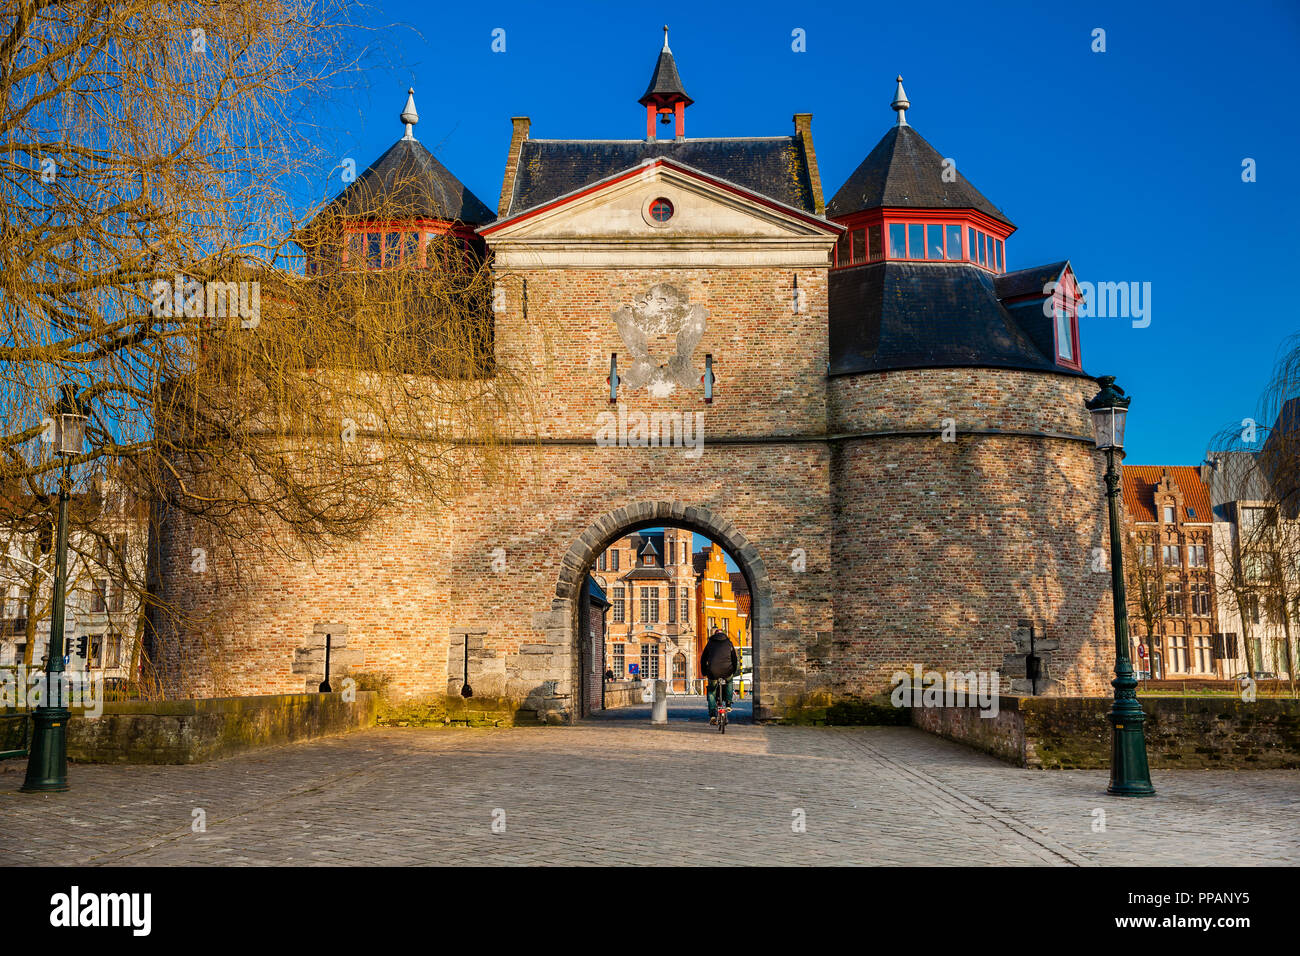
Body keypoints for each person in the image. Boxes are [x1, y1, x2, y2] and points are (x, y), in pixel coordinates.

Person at [699, 629, 738, 725]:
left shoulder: (710, 643)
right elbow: (734, 658)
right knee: (729, 682)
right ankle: (728, 703)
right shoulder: (729, 643)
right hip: (727, 670)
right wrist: (733, 670)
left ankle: (712, 715)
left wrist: (704, 672)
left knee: (711, 691)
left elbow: (703, 659)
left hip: (713, 671)